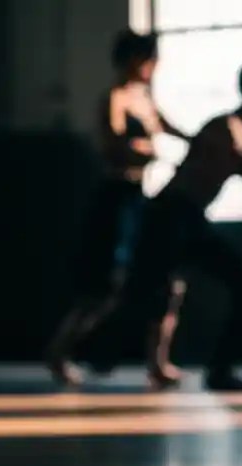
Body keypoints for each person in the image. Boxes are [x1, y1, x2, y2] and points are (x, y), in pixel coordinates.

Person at [122, 62, 242, 391]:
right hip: (173, 216)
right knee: (240, 285)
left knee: (168, 292)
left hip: (184, 216)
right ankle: (215, 370)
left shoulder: (238, 130)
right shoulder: (224, 128)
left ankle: (166, 365)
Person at [45, 30, 190, 387]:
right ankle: (59, 352)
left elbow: (172, 129)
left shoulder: (145, 99)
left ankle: (158, 362)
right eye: (148, 60)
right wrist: (150, 151)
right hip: (117, 197)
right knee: (105, 288)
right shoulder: (115, 98)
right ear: (133, 60)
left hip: (142, 195)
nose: (153, 68)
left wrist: (198, 142)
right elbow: (112, 143)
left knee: (166, 280)